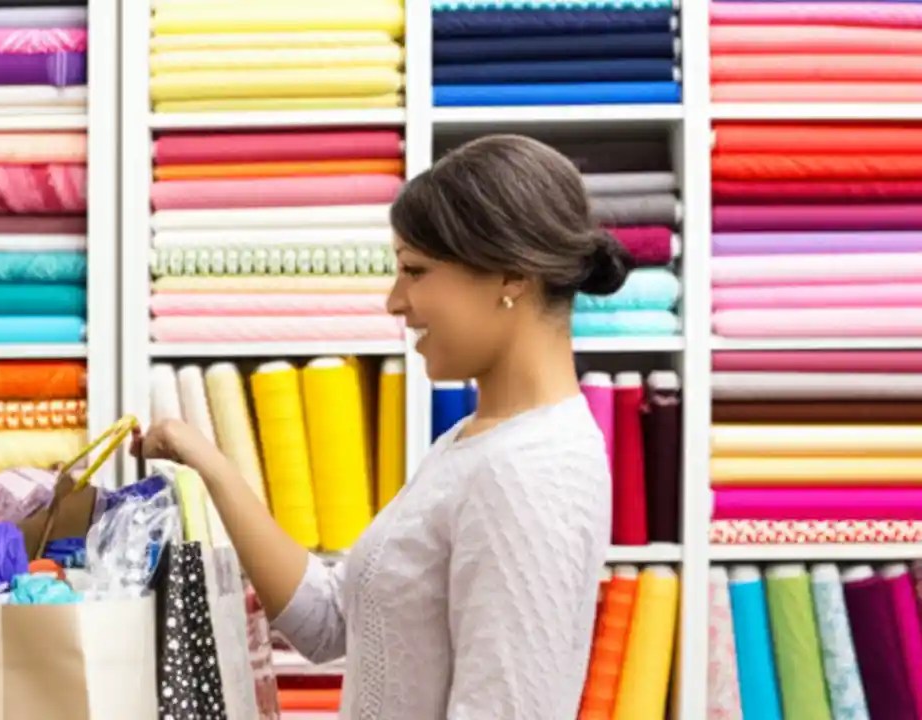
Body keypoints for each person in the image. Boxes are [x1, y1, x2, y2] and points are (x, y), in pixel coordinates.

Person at [134, 134, 632, 719]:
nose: (396, 301)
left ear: (509, 276)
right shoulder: (476, 442)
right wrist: (209, 463)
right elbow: (328, 623)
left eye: (415, 271)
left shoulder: (530, 471)